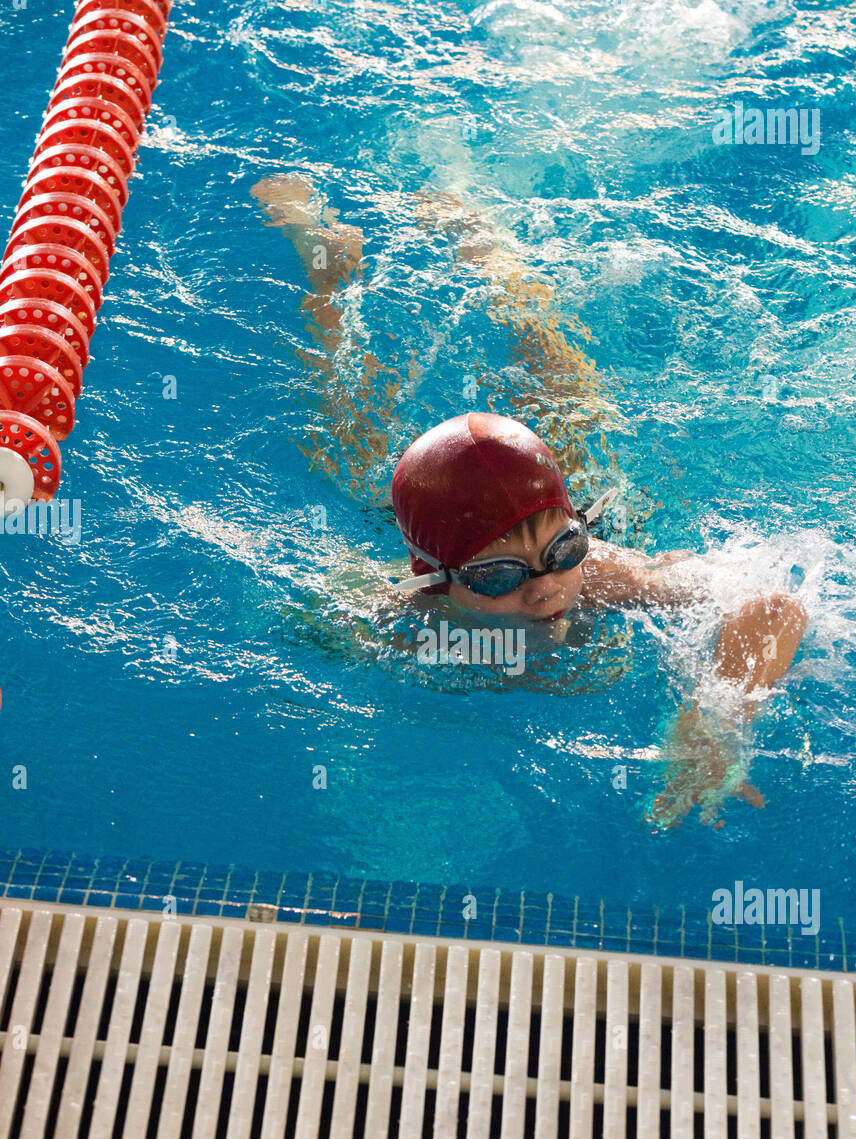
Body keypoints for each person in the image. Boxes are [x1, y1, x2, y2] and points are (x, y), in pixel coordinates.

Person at [251, 178, 807, 826]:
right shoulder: (392, 618)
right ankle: (327, 271)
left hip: (559, 481)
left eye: (564, 551)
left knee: (560, 375)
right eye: (498, 577)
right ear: (432, 578)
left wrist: (715, 721)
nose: (546, 590)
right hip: (423, 516)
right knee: (351, 433)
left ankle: (486, 250)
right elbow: (287, 624)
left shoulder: (604, 574)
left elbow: (771, 603)